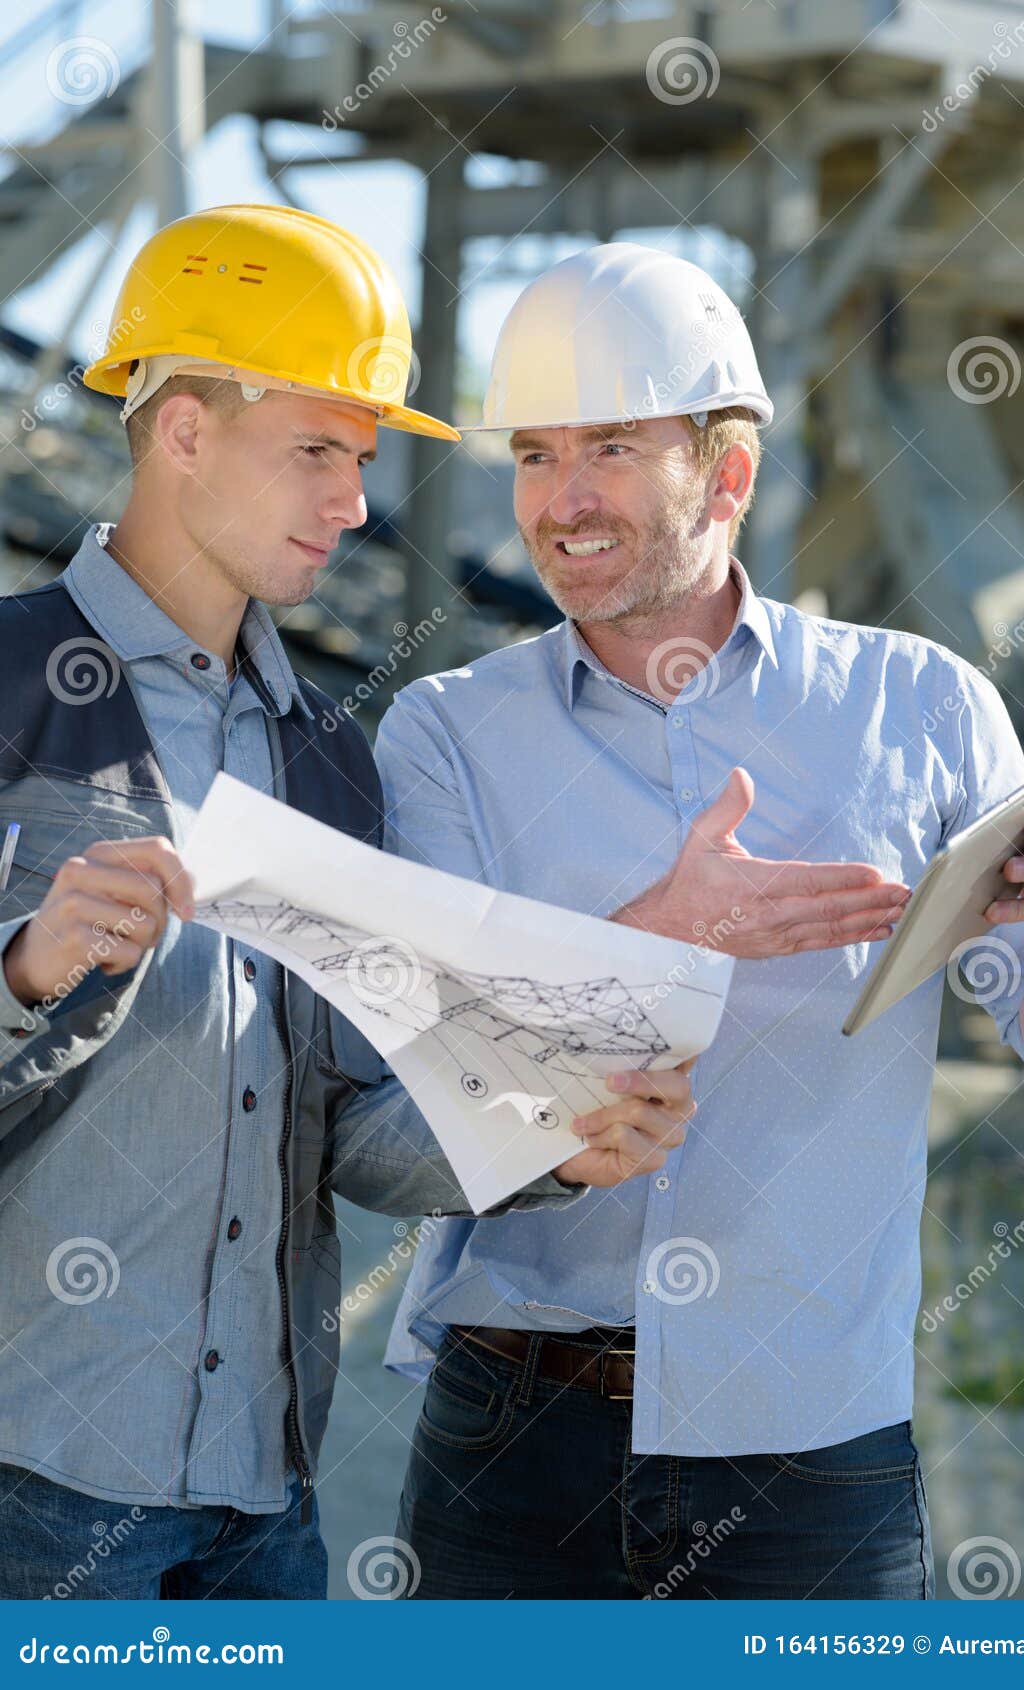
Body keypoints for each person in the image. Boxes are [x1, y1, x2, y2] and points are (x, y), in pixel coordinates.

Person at [0, 211, 695, 1601]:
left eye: (364, 460)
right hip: (33, 1487)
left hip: (264, 1513)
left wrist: (555, 1123)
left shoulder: (329, 760)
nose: (356, 502)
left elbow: (354, 1131)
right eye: (319, 448)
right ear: (183, 428)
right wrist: (23, 974)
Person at [379, 242, 1024, 1600]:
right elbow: (429, 1091)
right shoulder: (442, 734)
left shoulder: (925, 707)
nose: (562, 501)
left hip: (811, 1453)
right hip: (515, 1443)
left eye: (612, 449)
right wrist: (662, 933)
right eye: (535, 455)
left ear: (729, 472)